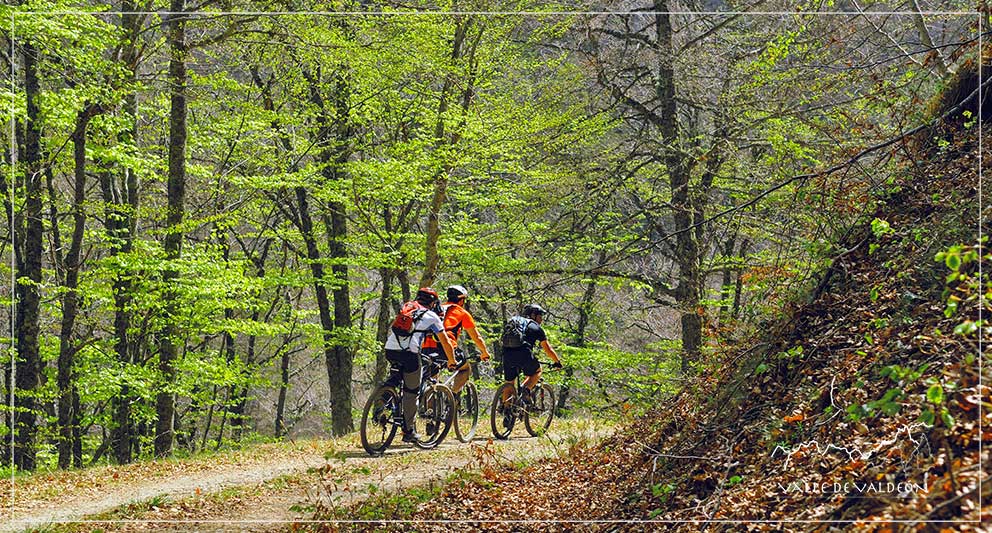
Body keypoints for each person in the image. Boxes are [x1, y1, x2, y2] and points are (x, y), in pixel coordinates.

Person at [383, 288, 457, 442]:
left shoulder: (407, 307)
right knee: (412, 391)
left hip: (390, 349)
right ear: (432, 302)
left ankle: (383, 399)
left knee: (397, 377)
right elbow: (445, 342)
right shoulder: (432, 316)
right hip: (409, 353)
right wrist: (452, 360)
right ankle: (408, 431)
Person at [421, 285, 492, 395]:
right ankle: (453, 395)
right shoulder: (461, 312)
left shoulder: (436, 310)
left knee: (432, 383)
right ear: (461, 300)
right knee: (465, 369)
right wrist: (484, 352)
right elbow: (476, 337)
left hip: (426, 348)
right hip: (447, 349)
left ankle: (431, 410)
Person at [500, 303, 563, 406]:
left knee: (509, 383)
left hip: (507, 353)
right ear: (533, 315)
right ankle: (525, 390)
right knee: (537, 371)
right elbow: (548, 349)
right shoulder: (535, 327)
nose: (541, 319)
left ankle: (507, 411)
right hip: (524, 353)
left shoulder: (514, 322)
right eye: (540, 316)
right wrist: (557, 362)